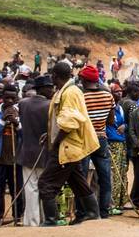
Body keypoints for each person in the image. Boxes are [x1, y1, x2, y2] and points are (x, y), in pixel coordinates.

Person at [37, 60, 100, 227]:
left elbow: (69, 122)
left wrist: (56, 140)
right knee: (77, 181)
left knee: (46, 183)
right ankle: (93, 213)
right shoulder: (64, 91)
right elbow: (61, 119)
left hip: (66, 146)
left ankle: (51, 220)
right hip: (69, 146)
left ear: (55, 76)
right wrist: (49, 134)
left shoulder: (70, 92)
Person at [79, 65, 115, 220]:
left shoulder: (80, 97)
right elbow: (111, 120)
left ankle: (83, 213)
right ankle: (104, 212)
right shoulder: (108, 96)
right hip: (101, 138)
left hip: (85, 139)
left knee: (81, 177)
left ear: (83, 80)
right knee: (105, 178)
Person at [17, 75, 53, 227]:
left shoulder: (23, 103)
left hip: (26, 152)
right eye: (49, 87)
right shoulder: (50, 105)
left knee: (30, 189)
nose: (52, 89)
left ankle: (31, 221)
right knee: (45, 187)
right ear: (42, 89)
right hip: (45, 152)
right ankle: (45, 218)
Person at [0, 83, 23, 227]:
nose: (9, 101)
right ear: (1, 97)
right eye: (6, 97)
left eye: (12, 98)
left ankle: (18, 216)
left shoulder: (21, 112)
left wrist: (16, 123)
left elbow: (25, 135)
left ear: (16, 98)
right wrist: (3, 120)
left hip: (16, 157)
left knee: (17, 189)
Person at [105, 85, 130, 215]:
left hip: (121, 143)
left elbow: (125, 122)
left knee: (122, 171)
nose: (119, 94)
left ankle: (120, 202)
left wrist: (124, 126)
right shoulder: (108, 107)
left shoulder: (120, 108)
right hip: (111, 143)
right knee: (113, 174)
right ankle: (112, 203)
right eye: (116, 92)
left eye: (120, 91)